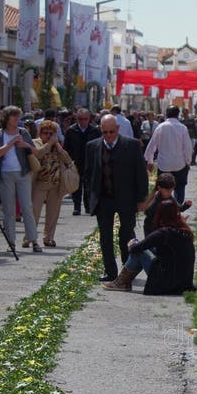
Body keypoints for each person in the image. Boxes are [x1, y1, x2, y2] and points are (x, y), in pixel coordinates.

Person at [84, 114, 148, 282]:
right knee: (105, 237)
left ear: (118, 129)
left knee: (126, 234)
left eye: (112, 132)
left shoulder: (132, 145)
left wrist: (142, 198)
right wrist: (89, 198)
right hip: (103, 199)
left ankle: (128, 269)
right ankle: (110, 272)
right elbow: (89, 174)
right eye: (105, 132)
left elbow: (141, 174)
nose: (109, 135)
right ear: (100, 130)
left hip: (126, 198)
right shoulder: (92, 146)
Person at [103, 198, 195, 295]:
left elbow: (135, 249)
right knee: (147, 249)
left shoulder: (163, 233)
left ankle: (121, 283)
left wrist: (131, 244)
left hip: (166, 285)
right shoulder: (185, 231)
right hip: (183, 284)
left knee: (139, 252)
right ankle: (122, 282)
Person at [0, 106, 41, 253]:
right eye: (14, 116)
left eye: (18, 116)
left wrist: (25, 144)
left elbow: (35, 151)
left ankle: (33, 240)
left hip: (23, 173)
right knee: (9, 210)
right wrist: (11, 143)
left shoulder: (23, 132)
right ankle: (11, 242)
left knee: (27, 207)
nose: (17, 119)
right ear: (7, 118)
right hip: (5, 174)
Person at [30, 120, 73, 248]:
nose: (48, 135)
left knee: (53, 214)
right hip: (39, 183)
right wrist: (49, 144)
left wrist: (59, 147)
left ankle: (49, 238)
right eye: (45, 133)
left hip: (55, 183)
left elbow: (67, 160)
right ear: (40, 133)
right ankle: (30, 237)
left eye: (51, 133)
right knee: (34, 212)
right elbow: (38, 154)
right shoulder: (35, 143)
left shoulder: (57, 145)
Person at [144, 105, 192, 205]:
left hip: (164, 164)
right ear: (178, 115)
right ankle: (177, 210)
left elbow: (152, 145)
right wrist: (188, 161)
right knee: (180, 187)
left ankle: (164, 208)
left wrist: (150, 161)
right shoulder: (182, 128)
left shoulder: (160, 127)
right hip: (180, 164)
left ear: (166, 114)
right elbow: (187, 147)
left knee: (163, 189)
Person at [63, 108, 101, 215]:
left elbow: (99, 147)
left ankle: (88, 207)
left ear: (89, 119)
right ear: (76, 119)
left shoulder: (95, 131)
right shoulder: (71, 130)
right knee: (76, 185)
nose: (83, 121)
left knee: (89, 185)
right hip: (76, 162)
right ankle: (77, 207)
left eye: (85, 119)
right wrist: (67, 162)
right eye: (80, 119)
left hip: (90, 162)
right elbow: (66, 147)